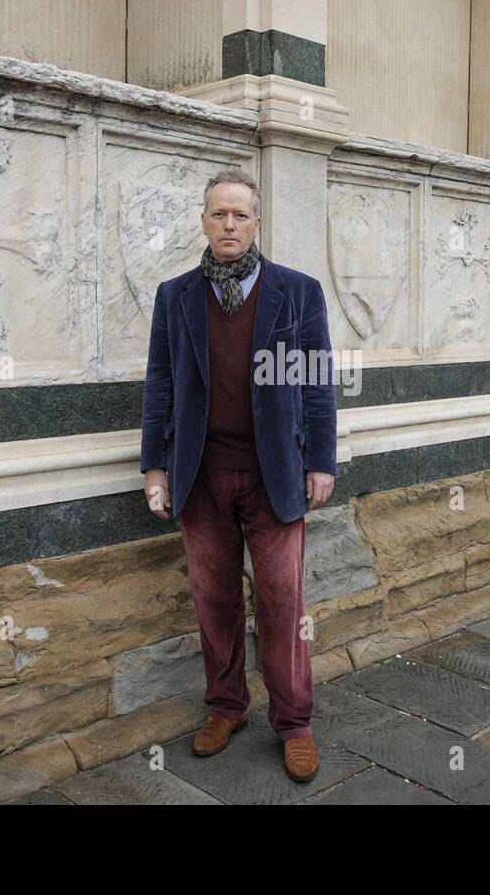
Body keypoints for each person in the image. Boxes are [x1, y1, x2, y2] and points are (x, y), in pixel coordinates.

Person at [139, 168, 337, 781]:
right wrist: (154, 466)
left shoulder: (297, 292)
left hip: (274, 474)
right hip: (199, 476)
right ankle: (227, 706)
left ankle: (294, 720)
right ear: (204, 222)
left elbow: (316, 381)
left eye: (240, 216)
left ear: (256, 224)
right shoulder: (175, 296)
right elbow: (160, 384)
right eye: (218, 214)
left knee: (281, 599)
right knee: (214, 599)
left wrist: (321, 460)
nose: (229, 224)